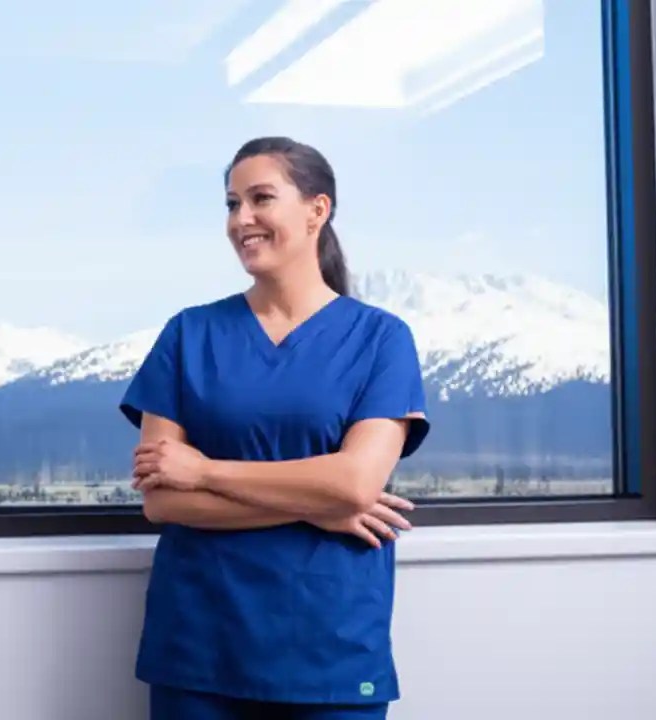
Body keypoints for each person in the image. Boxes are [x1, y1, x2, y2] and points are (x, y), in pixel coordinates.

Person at [120, 136, 431, 720]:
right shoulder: (188, 335)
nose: (242, 220)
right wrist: (319, 504)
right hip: (200, 646)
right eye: (232, 204)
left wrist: (205, 471)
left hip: (331, 648)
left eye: (261, 198)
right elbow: (162, 501)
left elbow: (355, 485)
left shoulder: (382, 339)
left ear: (318, 209)